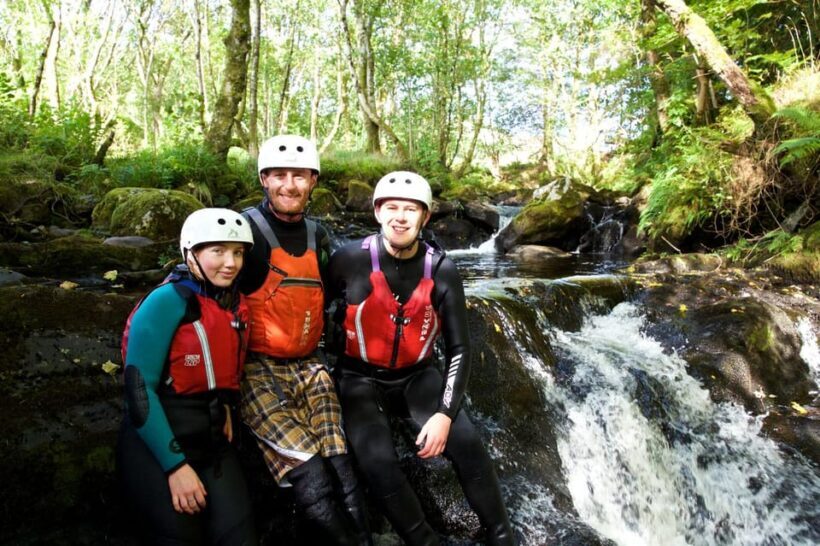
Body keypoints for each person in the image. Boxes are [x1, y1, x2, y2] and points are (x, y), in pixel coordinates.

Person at [326, 171, 515, 546]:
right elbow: (318, 319)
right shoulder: (346, 260)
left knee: (467, 443)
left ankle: (501, 535)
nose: (400, 217)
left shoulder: (442, 270)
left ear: (425, 217)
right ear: (377, 212)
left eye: (410, 209)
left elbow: (459, 348)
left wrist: (444, 415)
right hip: (358, 379)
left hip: (417, 376)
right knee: (377, 462)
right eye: (391, 208)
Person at [237, 134, 371, 545]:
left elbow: (335, 295)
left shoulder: (320, 236)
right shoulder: (244, 231)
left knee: (342, 467)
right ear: (264, 179)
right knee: (313, 477)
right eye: (279, 175)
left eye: (299, 176)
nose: (289, 185)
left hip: (310, 366)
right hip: (256, 368)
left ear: (313, 181)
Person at [117, 208, 258, 545]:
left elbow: (223, 367)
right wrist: (175, 467)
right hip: (157, 445)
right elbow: (138, 390)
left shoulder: (232, 304)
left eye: (238, 253)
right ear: (191, 254)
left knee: (241, 537)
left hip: (211, 442)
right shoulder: (166, 301)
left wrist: (225, 405)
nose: (231, 263)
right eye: (218, 251)